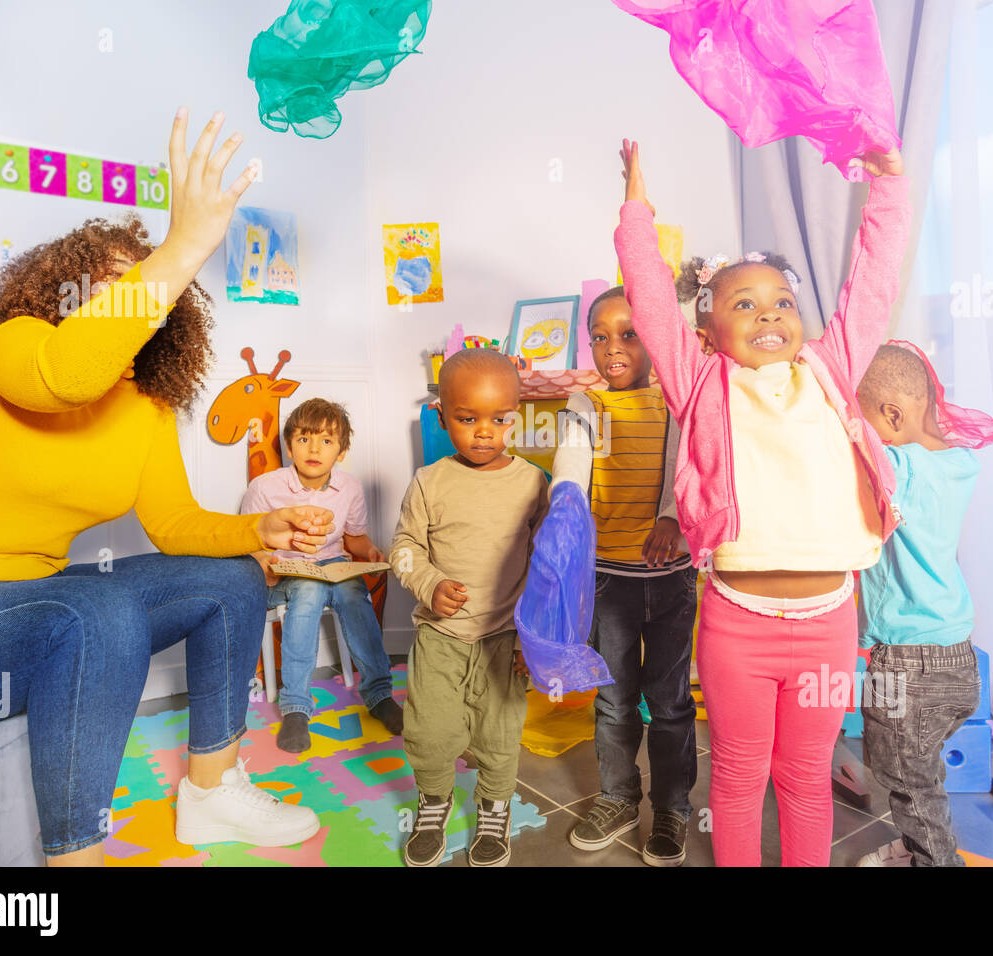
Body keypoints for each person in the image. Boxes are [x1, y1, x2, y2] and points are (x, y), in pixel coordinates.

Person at [0, 109, 332, 865]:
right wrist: (184, 244)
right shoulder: (17, 348)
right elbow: (70, 374)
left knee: (230, 580)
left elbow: (174, 525)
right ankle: (77, 858)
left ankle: (210, 789)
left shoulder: (146, 408)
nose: (126, 309)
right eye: (107, 292)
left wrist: (257, 534)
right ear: (58, 297)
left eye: (141, 294)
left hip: (28, 606)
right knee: (94, 604)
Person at [615, 138, 911, 866]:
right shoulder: (700, 382)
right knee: (741, 777)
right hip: (736, 627)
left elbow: (871, 283)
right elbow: (650, 296)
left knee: (806, 779)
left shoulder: (831, 370)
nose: (768, 313)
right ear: (709, 329)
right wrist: (635, 211)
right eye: (742, 303)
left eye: (781, 301)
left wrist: (889, 189)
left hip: (826, 624)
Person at [550, 286, 697, 866]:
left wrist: (669, 518)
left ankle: (673, 807)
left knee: (669, 701)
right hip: (608, 579)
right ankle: (617, 797)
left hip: (669, 579)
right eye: (601, 337)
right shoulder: (587, 405)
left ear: (654, 339)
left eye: (629, 334)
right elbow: (570, 462)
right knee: (613, 700)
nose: (614, 347)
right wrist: (563, 505)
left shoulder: (676, 401)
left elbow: (688, 471)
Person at [389, 348, 547, 867]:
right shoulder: (429, 482)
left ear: (516, 416)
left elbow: (547, 567)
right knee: (430, 731)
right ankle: (433, 802)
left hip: (504, 637)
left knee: (499, 735)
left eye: (499, 419)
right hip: (440, 637)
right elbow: (405, 547)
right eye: (467, 418)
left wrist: (536, 638)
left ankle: (495, 808)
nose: (484, 431)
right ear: (441, 417)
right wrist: (429, 582)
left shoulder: (531, 484)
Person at [854, 342, 993, 867]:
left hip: (906, 661)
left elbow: (856, 455)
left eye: (869, 420)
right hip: (957, 656)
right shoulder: (959, 462)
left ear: (891, 416)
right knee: (922, 768)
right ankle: (922, 843)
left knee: (906, 780)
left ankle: (934, 859)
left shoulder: (899, 466)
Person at [241, 397, 402, 751]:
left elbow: (354, 538)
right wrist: (263, 564)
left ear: (341, 451)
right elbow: (249, 544)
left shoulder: (350, 488)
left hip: (332, 567)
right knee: (310, 590)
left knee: (353, 592)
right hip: (283, 574)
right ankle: (296, 707)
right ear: (289, 445)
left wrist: (371, 552)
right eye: (304, 439)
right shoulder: (265, 487)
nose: (314, 448)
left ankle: (379, 696)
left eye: (327, 441)